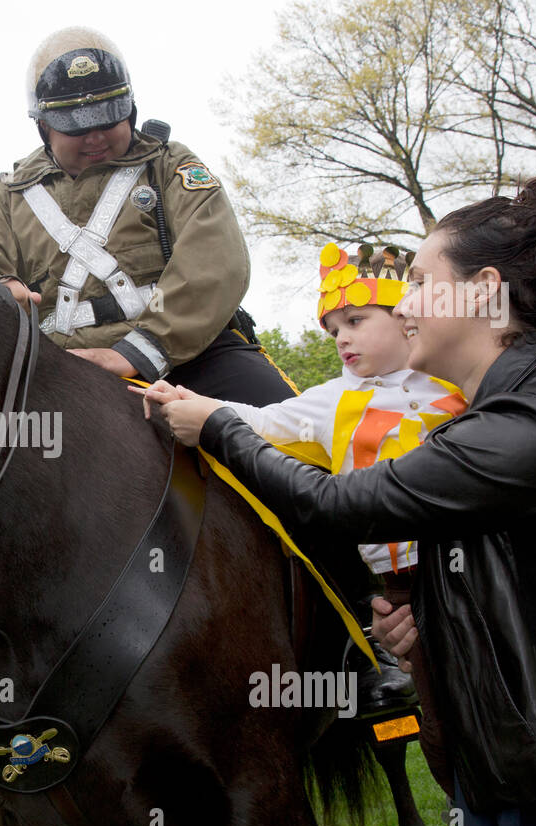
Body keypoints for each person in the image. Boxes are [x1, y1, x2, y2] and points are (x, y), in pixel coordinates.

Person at [142, 173, 536, 826]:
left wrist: (215, 426)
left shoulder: (531, 423)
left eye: (417, 282)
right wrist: (425, 620)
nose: (403, 303)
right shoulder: (514, 401)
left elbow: (337, 506)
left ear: (481, 290)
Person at [135, 242, 468, 718]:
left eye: (356, 321)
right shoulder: (334, 400)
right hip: (400, 586)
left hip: (475, 562)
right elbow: (260, 423)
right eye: (334, 329)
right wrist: (191, 400)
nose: (341, 339)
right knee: (442, 709)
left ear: (405, 317)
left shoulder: (455, 380)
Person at [0, 27, 296, 405]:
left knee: (296, 437)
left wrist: (137, 352)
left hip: (191, 356)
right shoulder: (10, 195)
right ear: (43, 126)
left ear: (129, 109)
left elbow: (215, 262)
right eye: (78, 128)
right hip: (59, 366)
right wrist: (0, 289)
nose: (95, 138)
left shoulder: (169, 164)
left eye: (107, 121)